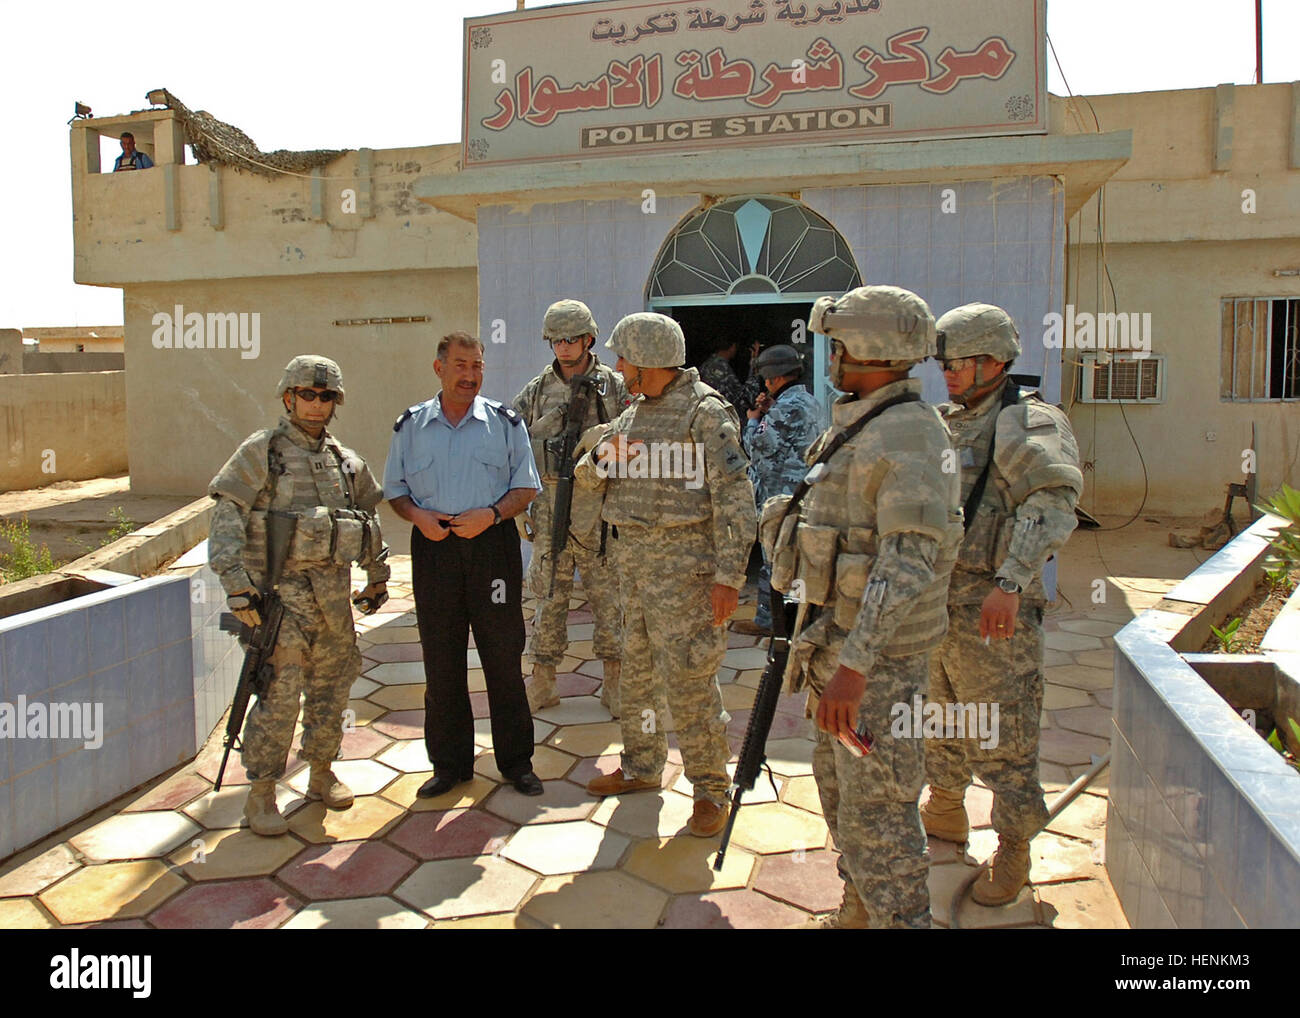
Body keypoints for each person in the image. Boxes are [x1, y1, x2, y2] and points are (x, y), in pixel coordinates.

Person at [764, 286, 962, 928]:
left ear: (872, 350)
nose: (833, 358)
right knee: (842, 800)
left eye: (841, 346)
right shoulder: (864, 419)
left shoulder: (906, 434)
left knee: (880, 815)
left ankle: (902, 919)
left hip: (874, 667)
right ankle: (858, 906)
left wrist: (855, 668)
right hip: (837, 650)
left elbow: (907, 562)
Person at [920, 303, 1083, 905]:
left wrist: (1012, 582)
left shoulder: (1026, 422)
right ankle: (945, 807)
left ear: (995, 360)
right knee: (941, 716)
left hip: (992, 605)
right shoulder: (947, 422)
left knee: (1005, 735)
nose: (949, 374)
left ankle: (1014, 852)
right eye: (943, 363)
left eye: (958, 362)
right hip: (938, 603)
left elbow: (1053, 500)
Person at [574, 312, 757, 837]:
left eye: (623, 356)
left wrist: (729, 576)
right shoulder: (632, 416)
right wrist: (603, 459)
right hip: (632, 574)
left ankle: (708, 789)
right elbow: (587, 481)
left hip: (689, 580)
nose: (617, 366)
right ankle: (641, 766)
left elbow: (736, 498)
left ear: (648, 359)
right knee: (637, 677)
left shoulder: (706, 415)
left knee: (691, 683)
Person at [208, 355, 390, 836]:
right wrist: (236, 586)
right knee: (279, 697)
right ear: (289, 398)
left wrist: (376, 576)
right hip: (280, 598)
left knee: (331, 691)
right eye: (307, 394)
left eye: (325, 395)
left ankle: (321, 772)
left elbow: (369, 522)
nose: (316, 403)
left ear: (336, 402)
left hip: (334, 600)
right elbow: (228, 515)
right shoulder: (262, 452)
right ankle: (262, 793)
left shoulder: (346, 462)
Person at [384, 332, 545, 798]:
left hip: (491, 547)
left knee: (503, 659)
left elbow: (526, 488)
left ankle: (517, 764)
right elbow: (394, 489)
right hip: (435, 549)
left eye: (477, 366)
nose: (470, 375)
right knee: (441, 661)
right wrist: (417, 516)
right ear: (439, 368)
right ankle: (450, 765)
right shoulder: (411, 426)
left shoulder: (505, 423)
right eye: (460, 365)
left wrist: (492, 515)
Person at [514, 300, 629, 715]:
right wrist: (516, 508)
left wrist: (608, 431)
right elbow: (514, 447)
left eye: (571, 339)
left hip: (601, 511)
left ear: (588, 339)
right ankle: (542, 681)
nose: (563, 347)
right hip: (550, 507)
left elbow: (640, 432)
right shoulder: (537, 390)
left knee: (609, 601)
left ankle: (615, 683)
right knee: (548, 598)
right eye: (556, 340)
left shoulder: (614, 386)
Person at [732, 343, 823, 637]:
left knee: (775, 559)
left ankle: (769, 621)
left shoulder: (785, 408)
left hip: (780, 496)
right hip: (801, 493)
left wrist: (753, 420)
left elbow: (758, 447)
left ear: (774, 377)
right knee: (795, 557)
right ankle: (795, 619)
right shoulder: (808, 402)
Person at [697, 338, 762, 417]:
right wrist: (754, 368)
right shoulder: (721, 367)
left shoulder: (706, 365)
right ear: (733, 347)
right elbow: (744, 399)